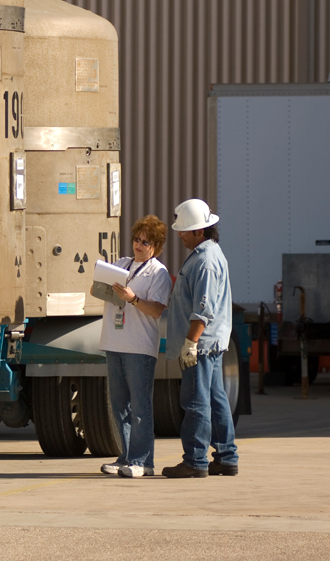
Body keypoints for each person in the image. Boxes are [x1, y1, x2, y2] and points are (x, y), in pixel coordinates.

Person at [161, 198, 239, 478]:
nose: (180, 235)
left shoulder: (204, 261)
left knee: (194, 401)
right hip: (212, 342)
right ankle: (226, 457)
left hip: (202, 344)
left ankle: (195, 461)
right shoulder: (209, 253)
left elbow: (202, 310)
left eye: (185, 230)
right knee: (217, 399)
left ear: (200, 231)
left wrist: (191, 343)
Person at [96, 215, 172, 478]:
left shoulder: (158, 273)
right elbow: (104, 292)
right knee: (119, 405)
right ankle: (127, 456)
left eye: (145, 242)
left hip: (139, 346)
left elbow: (156, 310)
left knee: (140, 406)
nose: (138, 245)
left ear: (156, 246)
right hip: (114, 341)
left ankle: (143, 462)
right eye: (137, 239)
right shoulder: (121, 264)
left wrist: (133, 298)